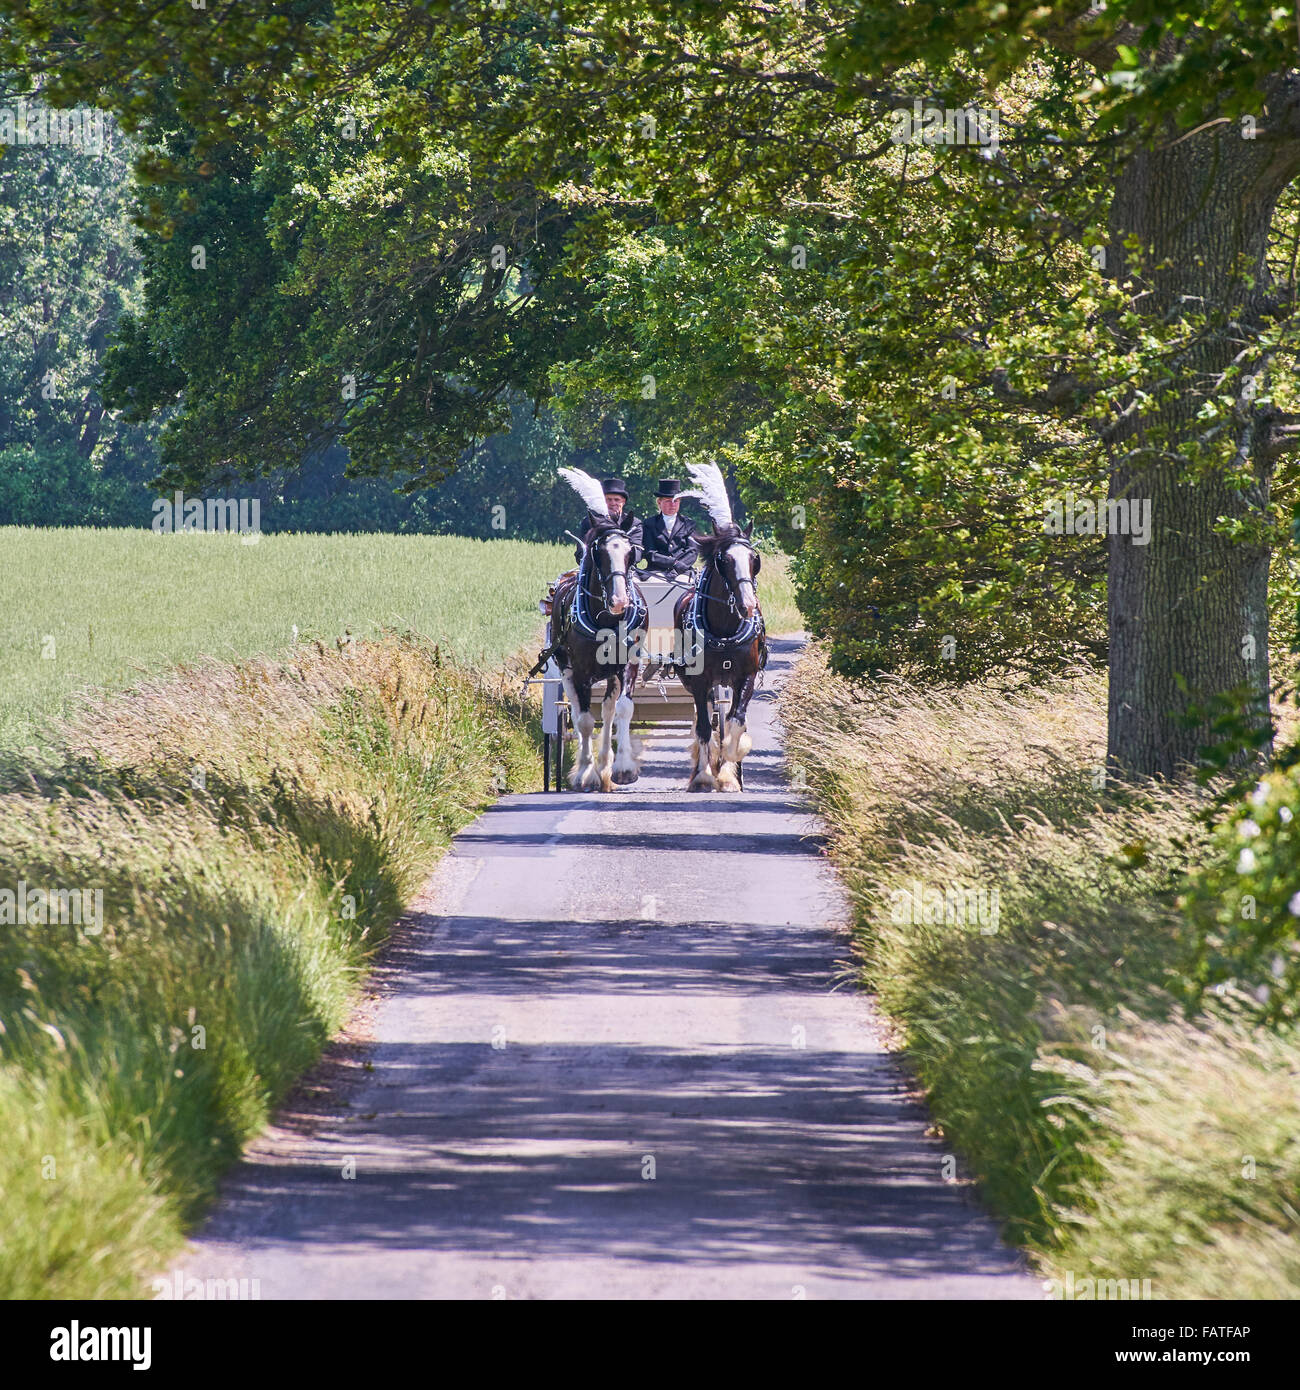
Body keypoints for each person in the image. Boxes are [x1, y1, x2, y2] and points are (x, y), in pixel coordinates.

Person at [574, 477, 643, 564]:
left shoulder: (634, 523)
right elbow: (580, 552)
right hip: (596, 570)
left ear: (623, 501)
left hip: (627, 570)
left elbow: (638, 553)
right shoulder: (589, 522)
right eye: (609, 499)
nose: (613, 503)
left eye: (617, 500)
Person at [639, 478, 700, 575]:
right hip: (656, 571)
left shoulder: (689, 524)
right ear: (659, 502)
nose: (672, 505)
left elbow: (692, 551)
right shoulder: (649, 524)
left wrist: (678, 567)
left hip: (682, 571)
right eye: (668, 501)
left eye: (676, 501)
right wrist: (672, 563)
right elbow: (650, 552)